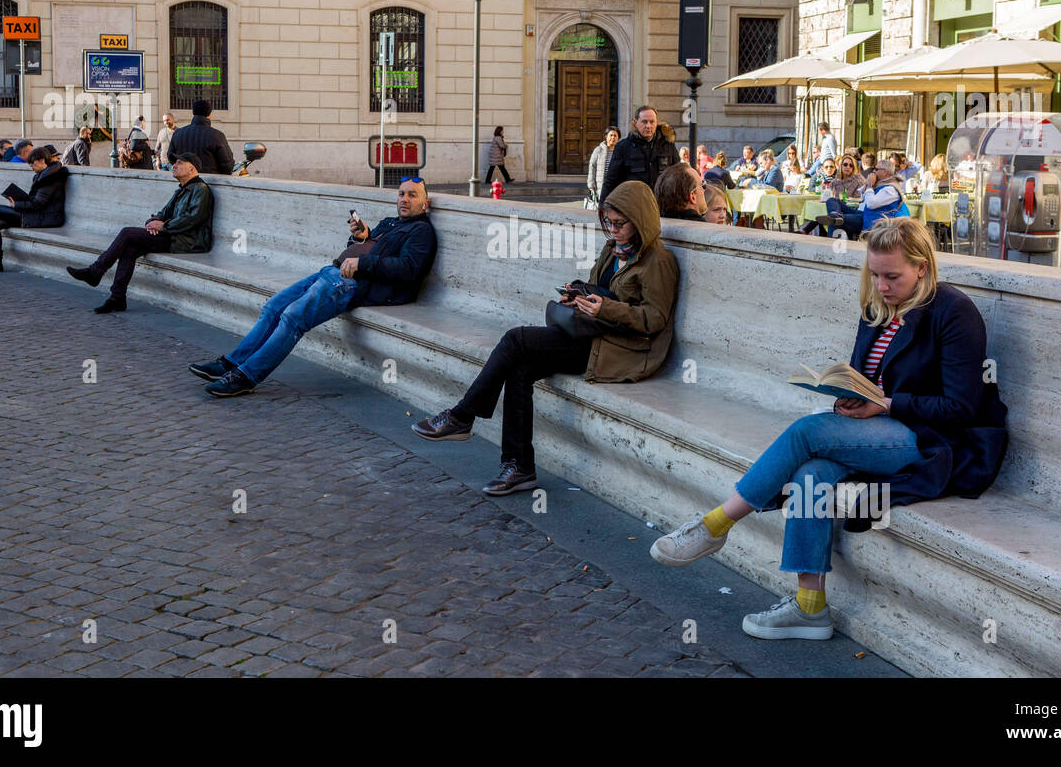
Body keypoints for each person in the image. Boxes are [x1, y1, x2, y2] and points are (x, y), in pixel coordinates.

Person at [650, 217, 1008, 641]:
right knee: (810, 474)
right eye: (874, 274)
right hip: (882, 428)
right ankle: (810, 608)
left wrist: (885, 404)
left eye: (892, 276)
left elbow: (960, 408)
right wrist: (849, 393)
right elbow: (870, 376)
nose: (882, 285)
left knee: (806, 433)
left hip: (934, 439)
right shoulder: (877, 309)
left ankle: (714, 525)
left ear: (923, 268)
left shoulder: (954, 312)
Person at [413, 180, 680, 496]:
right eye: (609, 222)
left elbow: (655, 320)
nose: (613, 229)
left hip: (620, 349)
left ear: (641, 219)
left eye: (620, 223)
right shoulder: (613, 250)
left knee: (516, 340)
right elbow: (598, 287)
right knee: (520, 369)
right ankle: (519, 467)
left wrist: (607, 309)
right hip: (591, 333)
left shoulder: (658, 260)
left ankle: (462, 416)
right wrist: (579, 295)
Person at [188, 177, 437, 396]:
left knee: (293, 317)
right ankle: (231, 363)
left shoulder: (421, 231)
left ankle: (246, 377)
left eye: (412, 195)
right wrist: (360, 236)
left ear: (424, 204)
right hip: (332, 272)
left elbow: (409, 269)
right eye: (401, 194)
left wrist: (363, 262)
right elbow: (370, 246)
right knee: (274, 307)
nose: (404, 199)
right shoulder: (390, 223)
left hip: (352, 285)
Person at [66, 153, 214, 313]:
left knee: (127, 233)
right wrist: (152, 222)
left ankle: (95, 272)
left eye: (179, 163)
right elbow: (162, 213)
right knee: (129, 249)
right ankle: (117, 298)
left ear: (192, 168)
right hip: (174, 236)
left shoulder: (201, 189)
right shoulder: (182, 190)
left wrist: (163, 226)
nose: (174, 166)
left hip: (188, 242)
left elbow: (193, 219)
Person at [0, 144, 68, 273]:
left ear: (42, 161)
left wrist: (16, 205)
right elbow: (35, 201)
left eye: (33, 164)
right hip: (36, 215)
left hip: (45, 218)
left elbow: (37, 204)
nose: (31, 167)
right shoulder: (44, 175)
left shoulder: (51, 178)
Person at [599, 106, 677, 203]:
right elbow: (611, 180)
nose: (648, 126)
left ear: (656, 123)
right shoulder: (623, 147)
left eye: (652, 122)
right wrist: (603, 205)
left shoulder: (668, 145)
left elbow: (678, 175)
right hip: (634, 205)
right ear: (635, 123)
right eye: (644, 122)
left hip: (663, 204)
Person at [817, 156, 908, 237]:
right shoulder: (880, 184)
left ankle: (835, 221)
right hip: (862, 213)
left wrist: (869, 185)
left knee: (836, 222)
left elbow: (871, 203)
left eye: (876, 169)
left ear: (885, 172)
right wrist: (869, 185)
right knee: (832, 201)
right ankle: (834, 215)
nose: (873, 171)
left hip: (871, 221)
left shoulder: (891, 189)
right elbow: (862, 194)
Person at [167, 100, 234, 176]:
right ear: (209, 114)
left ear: (193, 113)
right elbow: (228, 166)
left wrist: (184, 169)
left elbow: (170, 156)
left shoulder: (178, 133)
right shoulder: (217, 135)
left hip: (185, 181)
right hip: (209, 182)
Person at [587, 127, 620, 208]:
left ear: (618, 138)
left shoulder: (620, 151)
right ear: (606, 136)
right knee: (602, 206)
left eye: (615, 136)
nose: (613, 138)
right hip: (601, 184)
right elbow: (592, 166)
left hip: (615, 184)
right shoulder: (598, 150)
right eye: (611, 135)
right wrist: (591, 182)